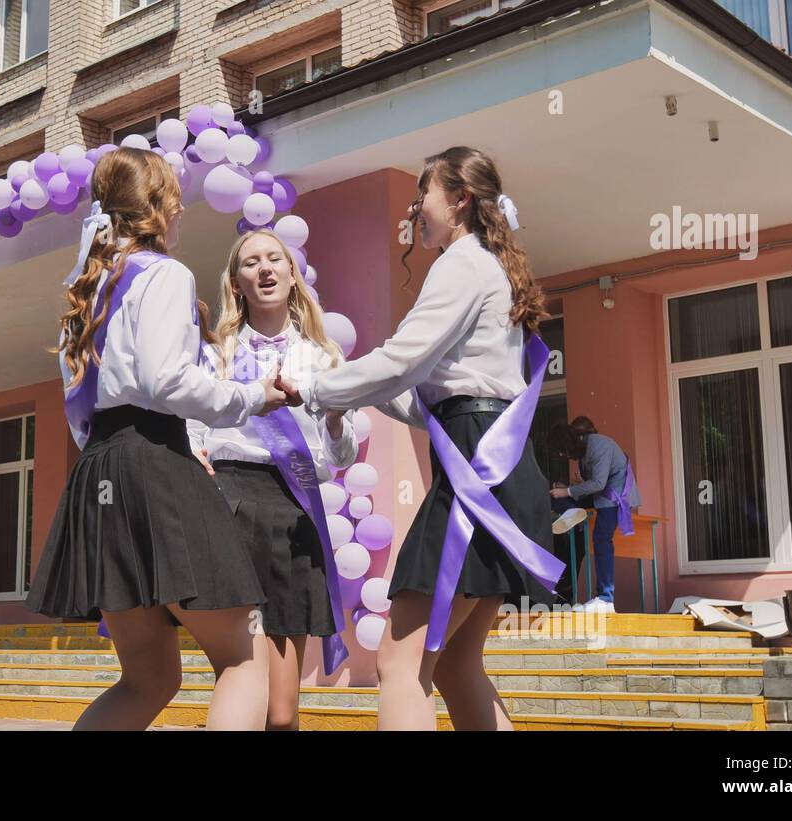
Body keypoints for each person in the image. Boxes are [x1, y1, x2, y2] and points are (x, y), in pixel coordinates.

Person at [277, 146, 564, 730]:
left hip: (473, 477)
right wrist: (348, 377)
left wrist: (317, 388)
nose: (414, 209)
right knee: (458, 665)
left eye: (423, 194)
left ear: (458, 200)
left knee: (399, 663)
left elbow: (404, 361)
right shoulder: (487, 263)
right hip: (491, 461)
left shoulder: (460, 261)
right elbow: (428, 398)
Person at [23, 148, 289, 730]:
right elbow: (166, 380)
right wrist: (250, 397)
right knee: (242, 657)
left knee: (149, 678)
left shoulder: (86, 288)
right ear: (160, 205)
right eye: (175, 198)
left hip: (99, 467)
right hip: (152, 459)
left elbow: (84, 401)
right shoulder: (165, 273)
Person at [187, 228, 359, 730]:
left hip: (296, 511)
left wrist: (331, 419)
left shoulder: (323, 356)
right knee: (247, 685)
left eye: (273, 259)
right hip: (233, 501)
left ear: (291, 273)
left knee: (282, 715)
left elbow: (338, 457)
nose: (263, 269)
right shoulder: (216, 352)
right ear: (236, 282)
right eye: (250, 262)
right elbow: (192, 426)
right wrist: (197, 458)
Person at [546, 416, 642, 613]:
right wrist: (570, 488)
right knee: (555, 497)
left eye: (564, 452)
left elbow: (598, 483)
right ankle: (573, 515)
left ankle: (606, 598)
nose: (566, 456)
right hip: (597, 495)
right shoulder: (583, 449)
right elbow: (591, 484)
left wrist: (569, 491)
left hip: (613, 497)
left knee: (601, 539)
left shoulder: (600, 445)